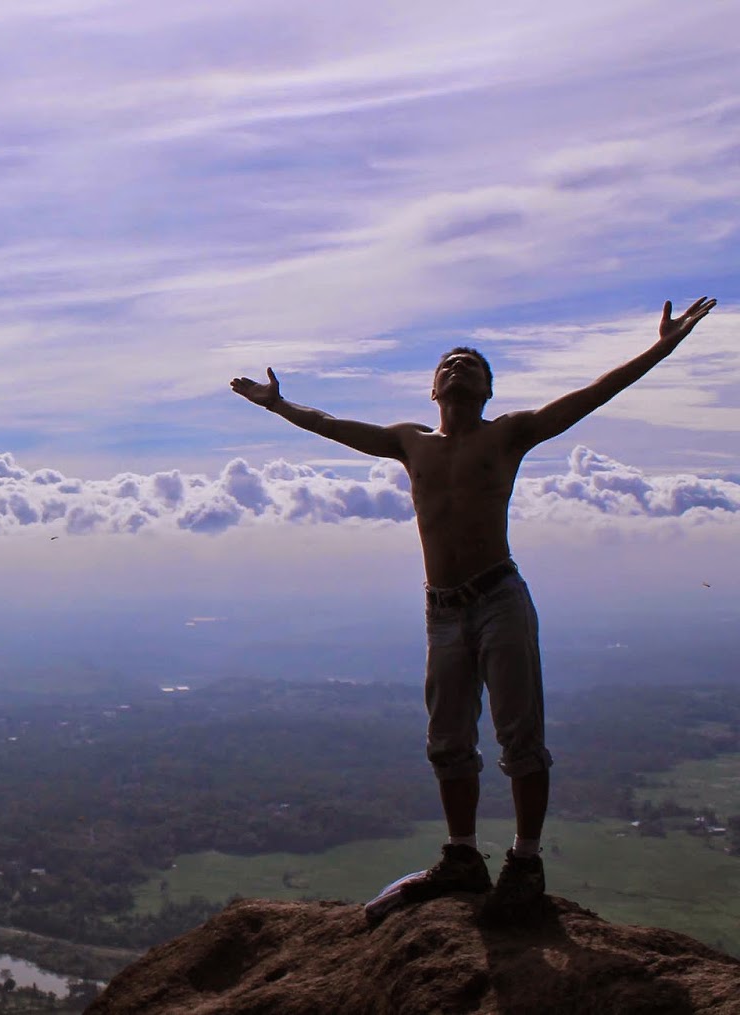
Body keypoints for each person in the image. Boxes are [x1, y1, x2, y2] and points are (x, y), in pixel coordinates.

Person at [230, 297, 717, 922]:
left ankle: (527, 862)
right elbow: (334, 425)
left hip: (498, 598)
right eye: (449, 363)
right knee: (446, 739)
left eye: (472, 365)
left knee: (520, 735)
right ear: (433, 388)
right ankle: (462, 856)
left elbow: (596, 391)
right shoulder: (409, 442)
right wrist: (278, 405)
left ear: (488, 389)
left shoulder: (509, 433)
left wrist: (663, 346)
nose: (459, 368)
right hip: (442, 612)